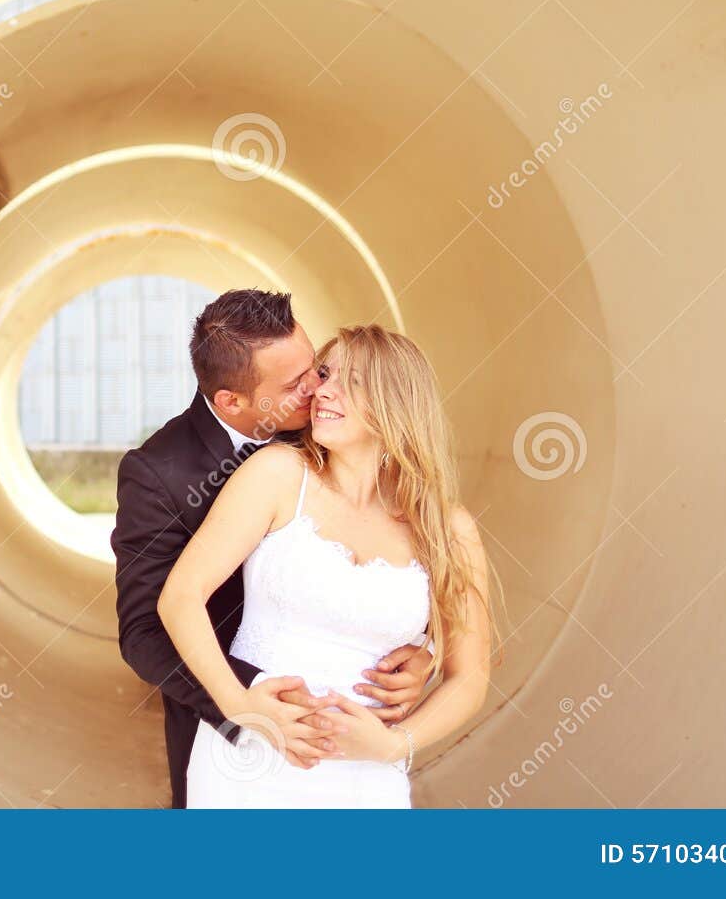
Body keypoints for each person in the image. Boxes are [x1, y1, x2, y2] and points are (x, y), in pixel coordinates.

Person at [111, 289, 434, 808]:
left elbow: (399, 560)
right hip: (230, 724)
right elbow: (144, 633)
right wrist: (254, 700)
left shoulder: (333, 430)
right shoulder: (160, 475)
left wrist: (419, 653)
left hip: (355, 740)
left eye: (315, 368)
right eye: (294, 384)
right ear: (231, 402)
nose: (318, 389)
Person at [158, 321, 494, 807]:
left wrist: (394, 745)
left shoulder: (447, 527)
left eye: (351, 381)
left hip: (365, 780)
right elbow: (181, 597)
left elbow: (470, 678)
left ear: (397, 403)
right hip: (251, 764)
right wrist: (240, 706)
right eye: (324, 373)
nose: (322, 391)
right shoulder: (276, 475)